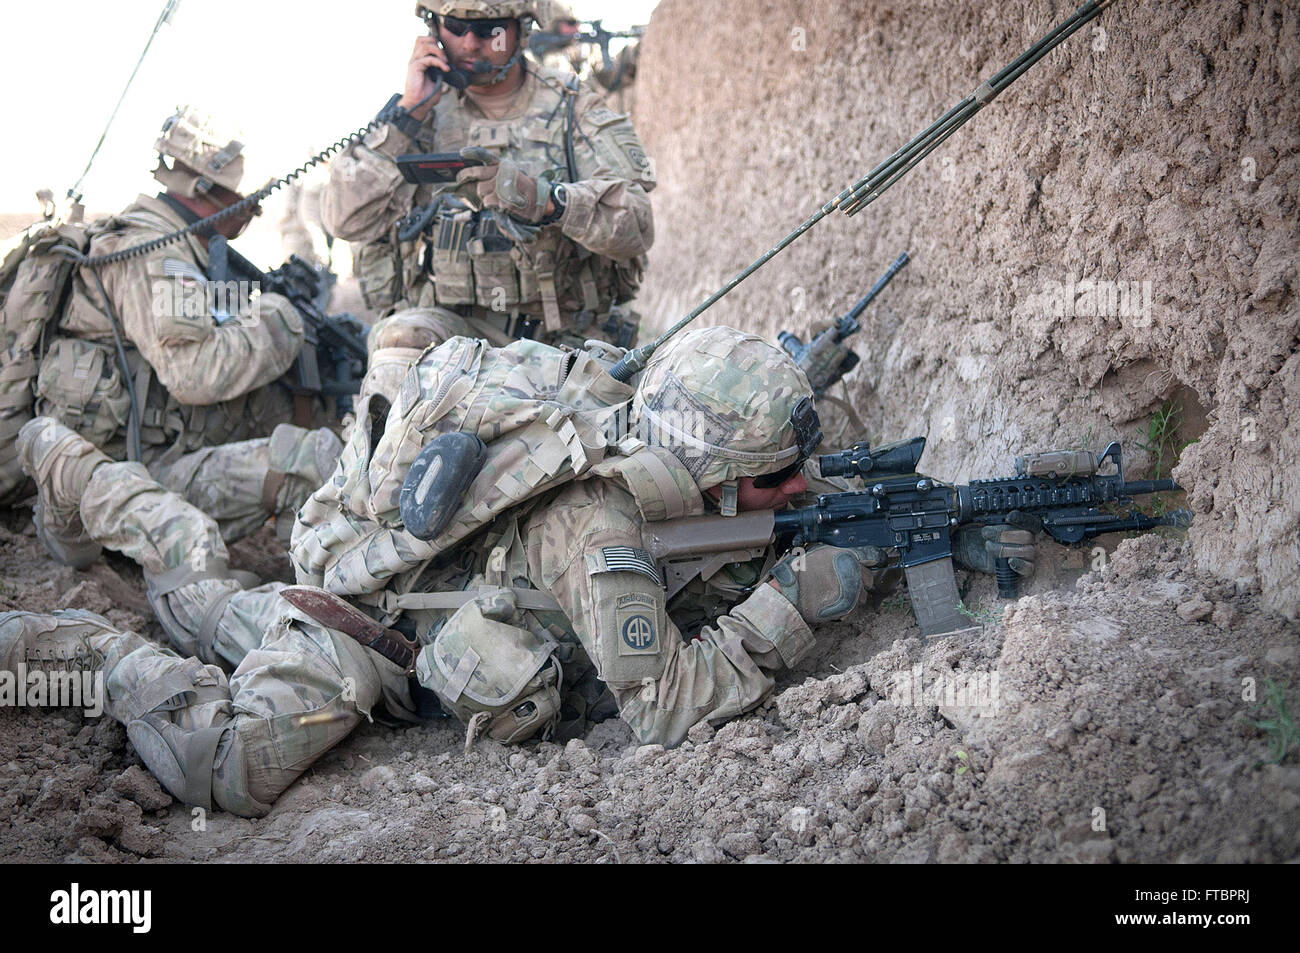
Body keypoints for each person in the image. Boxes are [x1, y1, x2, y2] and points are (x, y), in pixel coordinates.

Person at [1, 327, 1038, 817]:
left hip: (365, 593)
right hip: (343, 635)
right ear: (714, 469)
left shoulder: (658, 455)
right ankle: (75, 607)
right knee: (217, 750)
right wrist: (806, 595)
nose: (798, 487)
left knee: (196, 575)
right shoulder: (601, 525)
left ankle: (87, 483)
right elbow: (668, 708)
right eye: (776, 479)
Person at [8, 106, 342, 569]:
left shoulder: (163, 238)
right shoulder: (158, 254)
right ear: (206, 189)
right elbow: (195, 373)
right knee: (311, 461)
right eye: (251, 200)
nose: (256, 211)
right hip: (121, 483)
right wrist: (280, 321)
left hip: (129, 461)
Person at [322, 0, 655, 353]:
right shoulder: (417, 114)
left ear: (521, 30)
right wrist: (408, 114)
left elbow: (637, 223)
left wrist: (544, 201)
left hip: (558, 342)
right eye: (455, 27)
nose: (469, 43)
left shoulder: (573, 105)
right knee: (398, 341)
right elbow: (346, 221)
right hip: (446, 335)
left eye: (488, 30)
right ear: (432, 29)